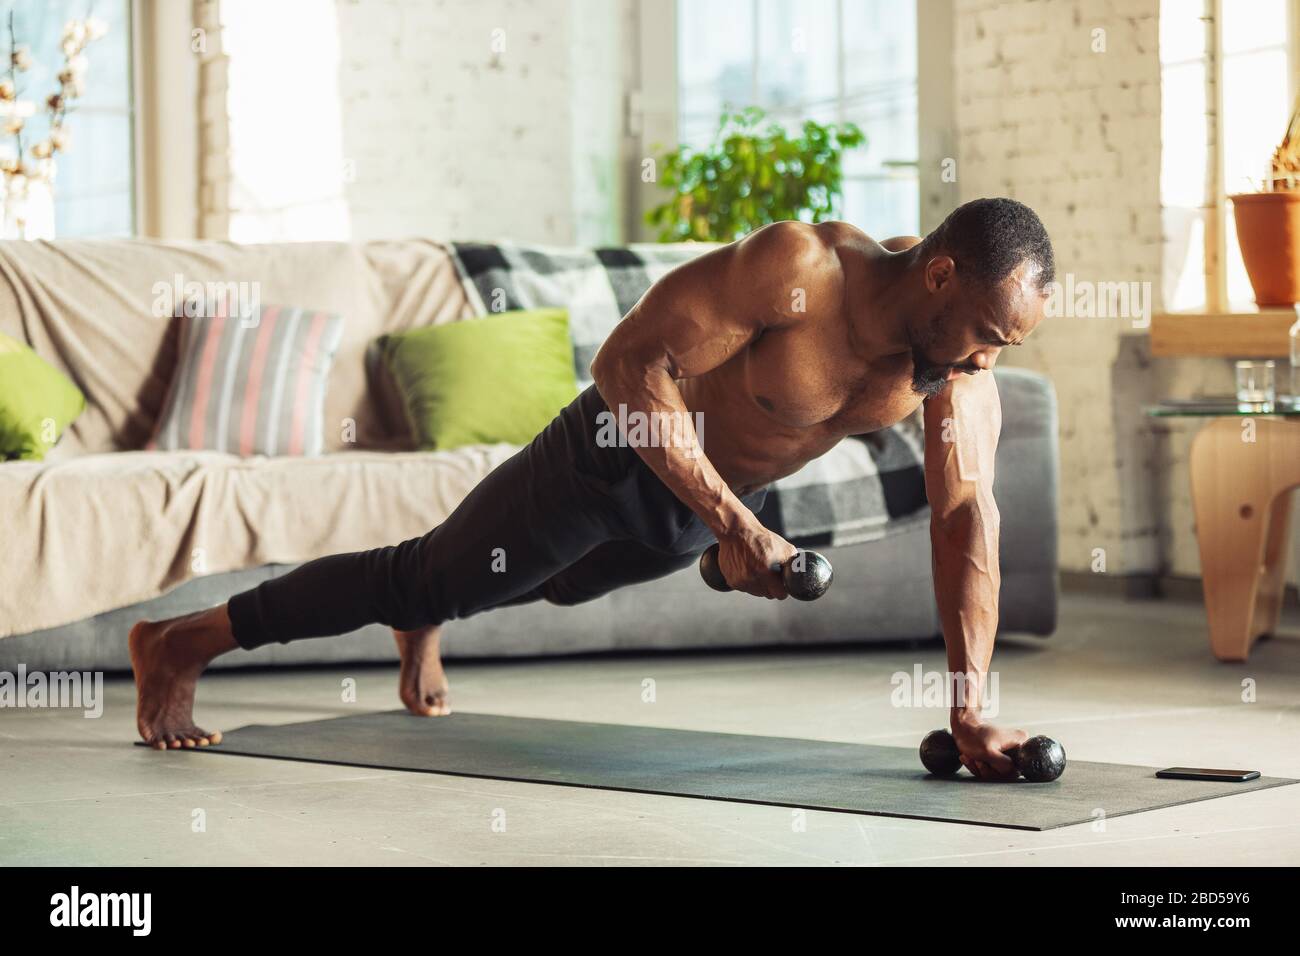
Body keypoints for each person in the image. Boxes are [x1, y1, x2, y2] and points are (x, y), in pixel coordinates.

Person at [130, 197, 1054, 781]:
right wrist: (734, 525)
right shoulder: (799, 269)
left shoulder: (952, 368)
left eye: (1003, 345)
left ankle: (439, 605)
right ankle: (183, 641)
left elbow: (965, 517)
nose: (988, 361)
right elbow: (627, 364)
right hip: (611, 459)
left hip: (705, 512)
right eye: (986, 333)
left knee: (559, 585)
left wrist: (969, 709)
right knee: (422, 578)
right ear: (939, 274)